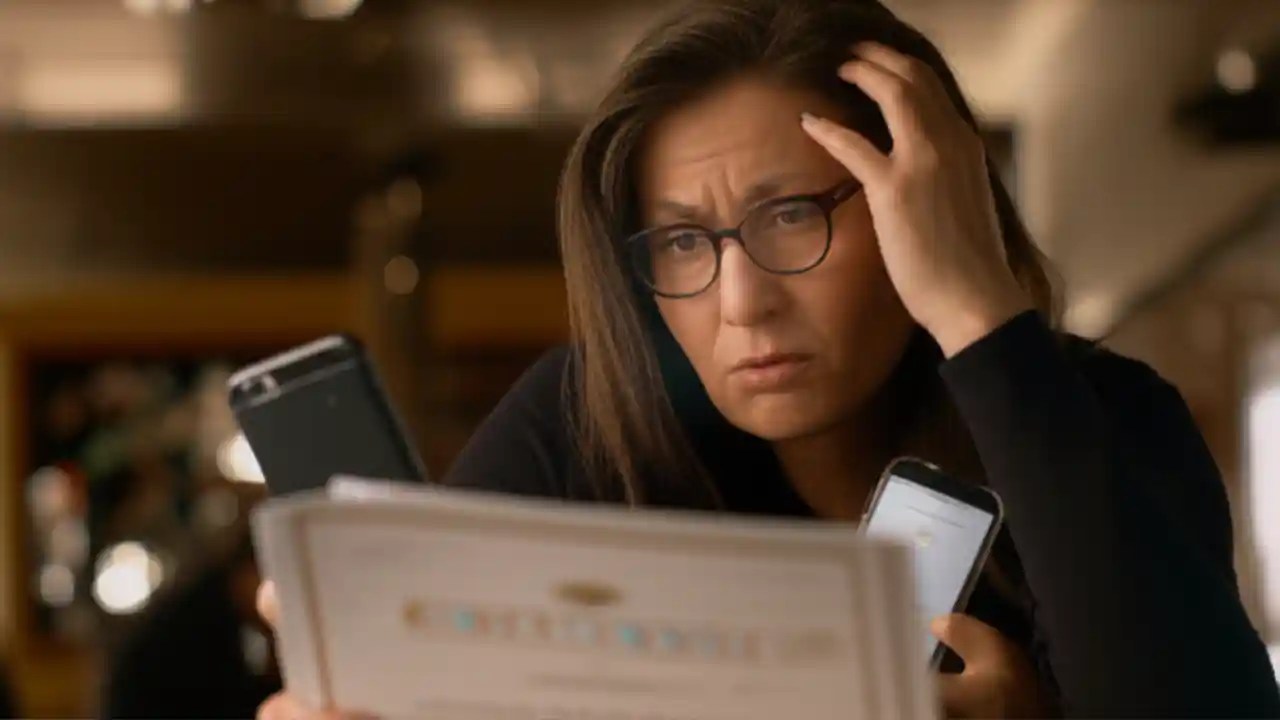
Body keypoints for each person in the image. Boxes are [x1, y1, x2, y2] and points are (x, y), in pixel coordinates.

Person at [257, 0, 1280, 717]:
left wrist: (979, 315)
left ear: (921, 203)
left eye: (790, 217)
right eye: (680, 242)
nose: (741, 301)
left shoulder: (1096, 415)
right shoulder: (583, 422)